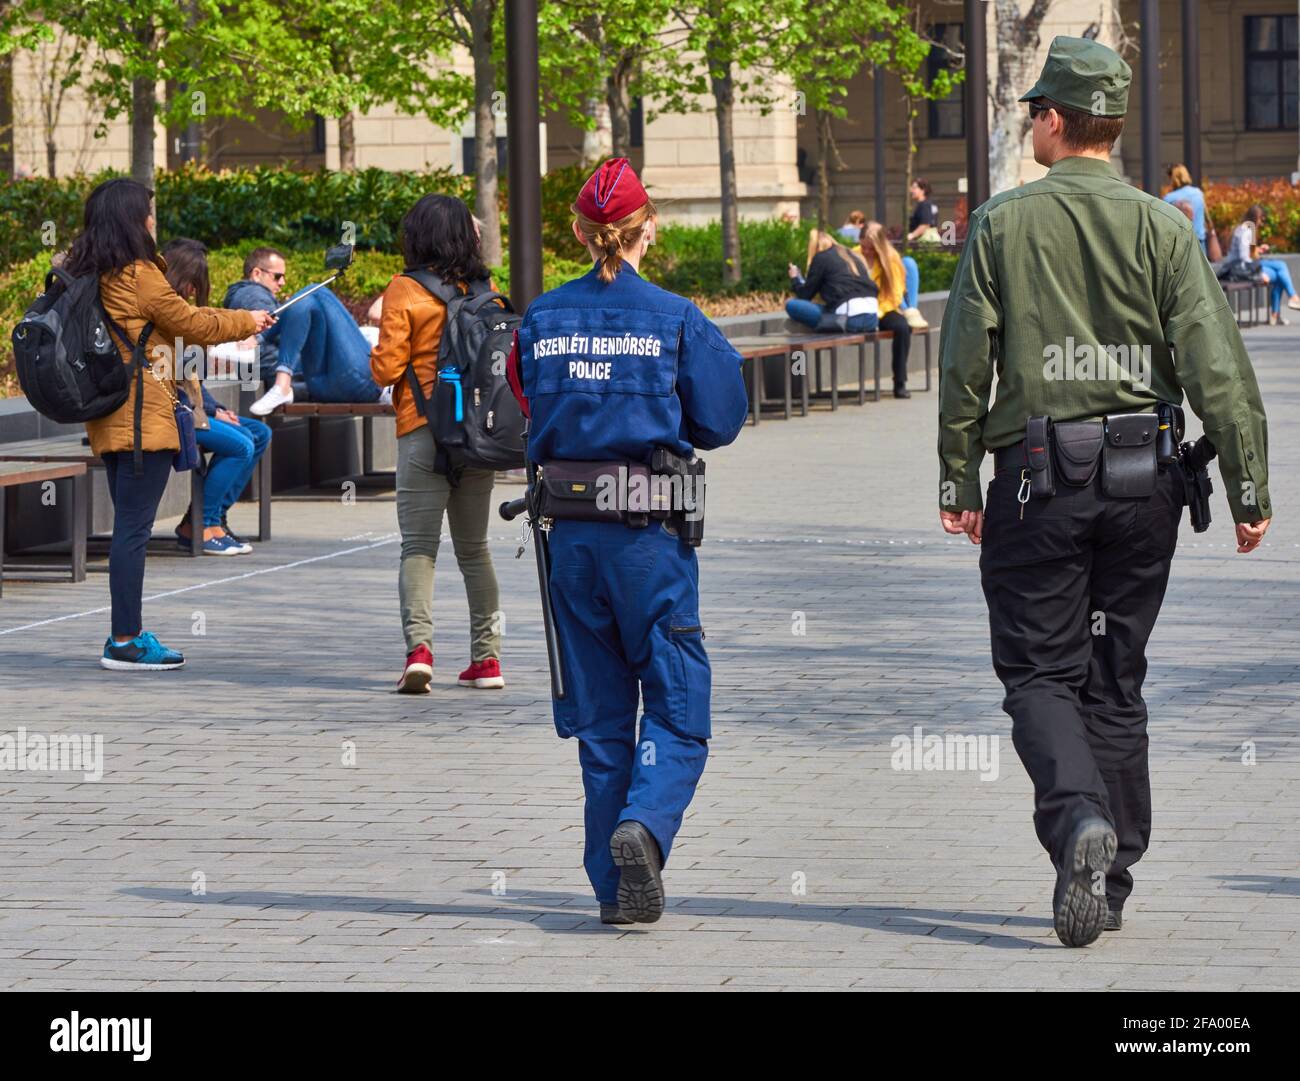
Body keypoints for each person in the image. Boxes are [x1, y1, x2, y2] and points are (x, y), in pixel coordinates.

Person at [938, 37, 1272, 947]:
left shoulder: (1003, 225)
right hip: (1144, 482)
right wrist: (1248, 482)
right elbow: (1217, 364)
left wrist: (956, 473)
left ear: (1054, 119)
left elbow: (966, 362)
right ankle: (1111, 877)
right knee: (1115, 680)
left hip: (1038, 483)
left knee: (1040, 672)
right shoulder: (1164, 227)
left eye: (1034, 114)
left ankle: (1078, 817)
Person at [506, 158, 749, 925]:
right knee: (677, 704)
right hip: (650, 541)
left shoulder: (540, 319)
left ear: (578, 233)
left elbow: (525, 402)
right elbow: (721, 418)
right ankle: (643, 825)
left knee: (602, 716)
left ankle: (615, 892)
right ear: (650, 230)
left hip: (569, 539)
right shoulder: (676, 317)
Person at [66, 179, 269, 670]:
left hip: (109, 416)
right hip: (143, 420)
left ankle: (125, 633)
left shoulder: (90, 272)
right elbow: (191, 322)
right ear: (133, 218)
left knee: (127, 528)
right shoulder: (137, 274)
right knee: (133, 531)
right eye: (149, 211)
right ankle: (126, 640)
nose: (154, 219)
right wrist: (248, 320)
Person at [369, 195, 505, 693]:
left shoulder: (404, 290)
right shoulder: (488, 290)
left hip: (423, 431)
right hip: (477, 436)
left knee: (419, 548)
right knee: (475, 549)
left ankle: (420, 653)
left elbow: (383, 369)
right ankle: (487, 661)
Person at [160, 238, 271, 556]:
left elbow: (190, 377)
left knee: (259, 432)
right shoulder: (167, 315)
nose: (195, 291)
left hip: (189, 408)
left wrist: (216, 408)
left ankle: (208, 520)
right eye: (193, 282)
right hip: (168, 414)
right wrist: (209, 410)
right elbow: (171, 380)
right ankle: (203, 524)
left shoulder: (184, 313)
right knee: (240, 444)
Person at [223, 246, 386, 414]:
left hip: (322, 384)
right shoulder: (255, 296)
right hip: (364, 381)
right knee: (316, 291)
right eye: (277, 276)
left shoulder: (244, 298)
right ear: (257, 274)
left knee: (307, 303)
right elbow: (268, 357)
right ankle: (276, 374)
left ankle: (278, 377)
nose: (282, 283)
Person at [857, 222, 914, 398]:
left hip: (884, 308)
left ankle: (900, 382)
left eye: (871, 249)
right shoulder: (854, 255)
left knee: (902, 327)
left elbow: (896, 294)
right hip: (858, 307)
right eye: (863, 247)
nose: (866, 252)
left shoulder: (891, 259)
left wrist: (877, 310)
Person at [785, 229, 879, 334]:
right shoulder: (852, 255)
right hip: (872, 318)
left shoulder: (821, 257)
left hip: (849, 319)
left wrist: (795, 278)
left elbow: (805, 295)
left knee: (791, 304)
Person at [1224, 205, 1300, 326]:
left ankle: (1283, 308)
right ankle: (1289, 302)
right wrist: (1260, 274)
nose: (1261, 223)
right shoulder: (1246, 232)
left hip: (1244, 266)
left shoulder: (1246, 229)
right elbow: (1244, 258)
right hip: (1240, 270)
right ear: (1255, 218)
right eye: (1261, 219)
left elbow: (1249, 254)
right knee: (1280, 271)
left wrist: (1258, 250)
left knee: (1280, 270)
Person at [1162, 164, 1207, 256]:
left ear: (1173, 178)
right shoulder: (1198, 193)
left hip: (1180, 244)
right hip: (1200, 241)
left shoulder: (1169, 198)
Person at [907, 178, 941, 244]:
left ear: (923, 190)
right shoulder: (929, 204)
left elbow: (925, 225)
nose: (911, 190)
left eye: (914, 188)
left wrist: (911, 236)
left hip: (926, 242)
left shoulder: (924, 205)